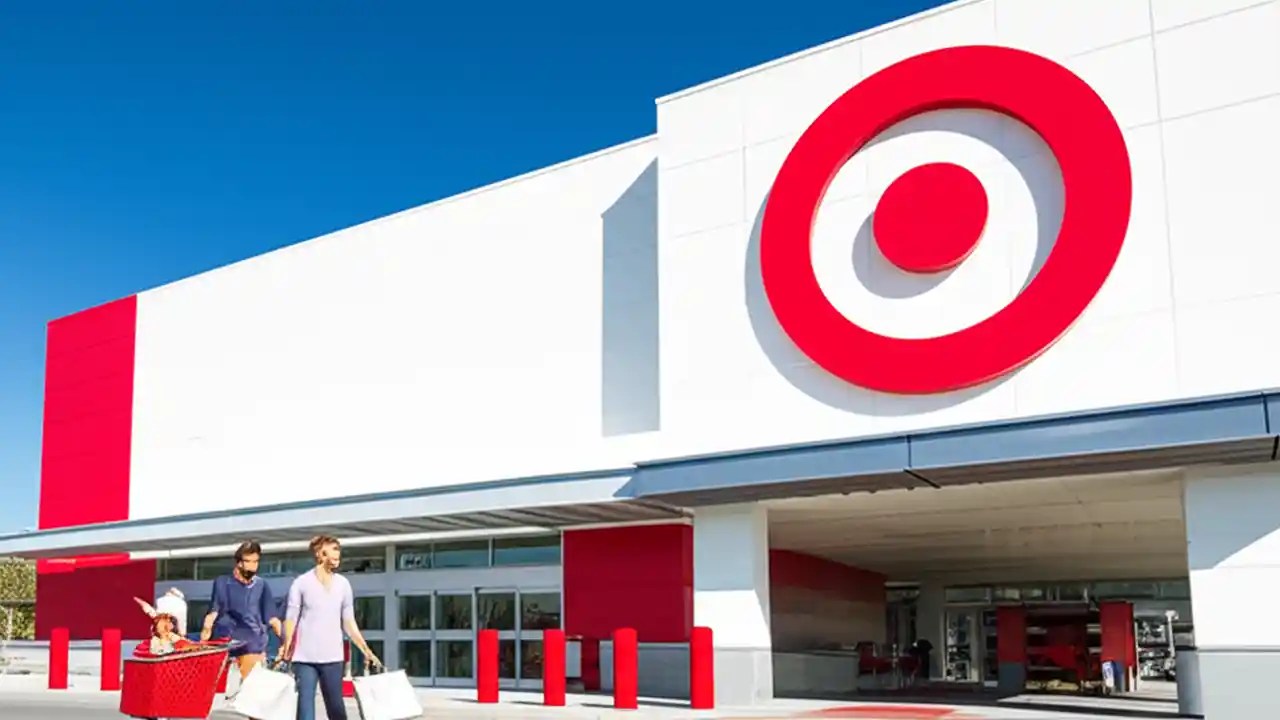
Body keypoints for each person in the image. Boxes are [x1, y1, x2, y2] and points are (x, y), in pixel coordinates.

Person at [279, 535, 382, 720]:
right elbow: (290, 618)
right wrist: (286, 645)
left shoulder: (343, 584)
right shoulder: (301, 583)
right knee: (304, 712)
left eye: (338, 550)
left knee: (337, 710)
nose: (337, 554)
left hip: (333, 658)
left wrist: (366, 650)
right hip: (305, 658)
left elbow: (349, 622)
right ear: (319, 553)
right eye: (332, 549)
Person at [200, 541, 282, 694]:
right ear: (238, 562)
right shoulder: (222, 583)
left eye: (256, 561)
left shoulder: (261, 585)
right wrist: (203, 642)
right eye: (248, 561)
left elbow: (272, 618)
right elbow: (212, 613)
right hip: (223, 641)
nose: (253, 566)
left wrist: (285, 642)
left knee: (253, 691)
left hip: (251, 642)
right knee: (213, 692)